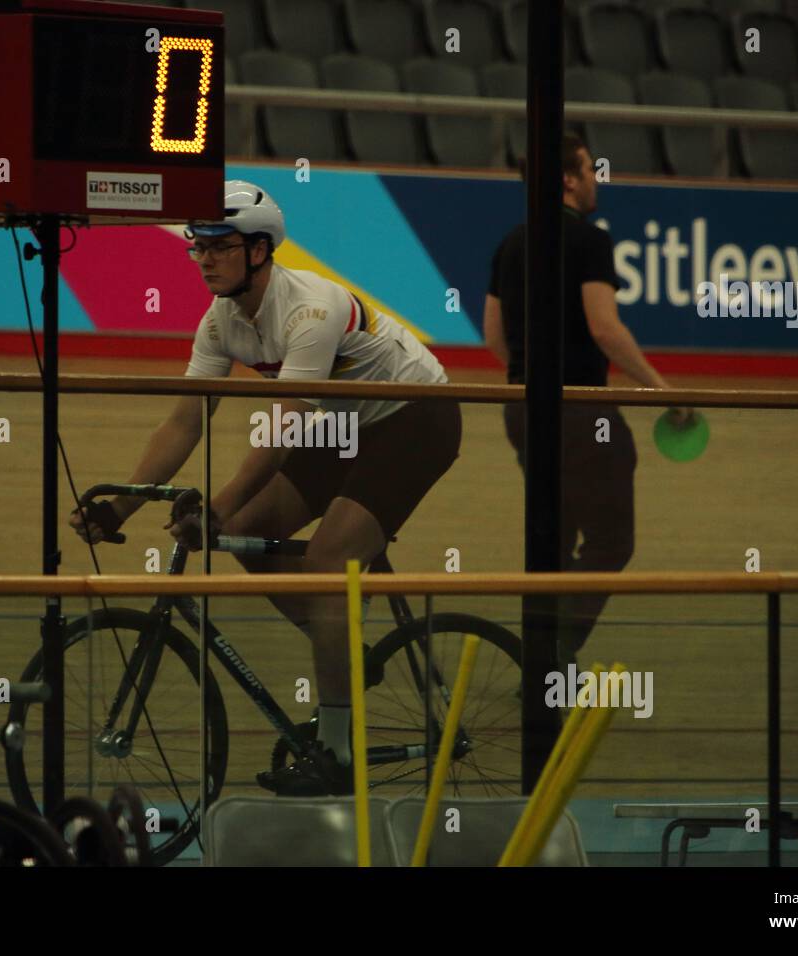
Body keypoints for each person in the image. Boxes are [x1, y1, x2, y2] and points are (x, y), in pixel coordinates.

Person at [70, 180, 461, 796]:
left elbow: (282, 428)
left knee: (326, 562)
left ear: (259, 250)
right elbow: (184, 421)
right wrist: (124, 502)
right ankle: (344, 656)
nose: (202, 258)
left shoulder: (311, 308)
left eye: (218, 246)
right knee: (250, 536)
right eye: (196, 246)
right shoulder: (221, 321)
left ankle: (336, 754)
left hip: (414, 418)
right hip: (343, 422)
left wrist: (218, 509)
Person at [482, 132, 691, 669]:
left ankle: (544, 663)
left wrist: (528, 372)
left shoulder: (510, 242)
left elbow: (493, 336)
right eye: (591, 170)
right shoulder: (590, 240)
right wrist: (663, 389)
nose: (598, 180)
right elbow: (605, 328)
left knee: (553, 536)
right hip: (579, 410)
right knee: (609, 541)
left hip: (522, 408)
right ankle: (551, 655)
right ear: (570, 179)